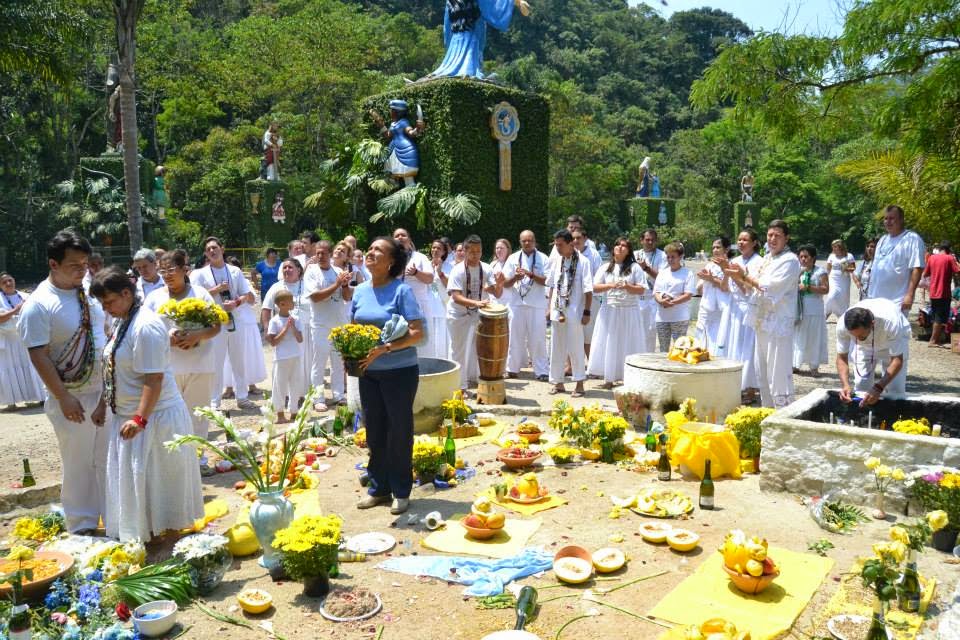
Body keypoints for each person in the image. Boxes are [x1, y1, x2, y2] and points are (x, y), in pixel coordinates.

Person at [88, 267, 203, 542]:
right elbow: (114, 366)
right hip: (130, 418)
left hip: (155, 418)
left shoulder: (146, 325)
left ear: (126, 293)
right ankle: (149, 542)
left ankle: (170, 546)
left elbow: (154, 378)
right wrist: (104, 404)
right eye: (102, 304)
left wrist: (139, 419)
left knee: (161, 485)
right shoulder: (122, 320)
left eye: (110, 302)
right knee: (141, 487)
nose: (107, 309)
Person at [18, 231, 108, 534]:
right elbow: (39, 356)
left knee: (106, 457)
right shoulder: (39, 304)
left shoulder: (88, 291)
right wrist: (63, 398)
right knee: (79, 462)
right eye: (74, 265)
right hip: (70, 396)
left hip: (103, 391)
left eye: (85, 263)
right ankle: (82, 525)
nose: (82, 270)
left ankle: (113, 517)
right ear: (53, 264)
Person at [352, 237, 424, 515]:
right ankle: (379, 488)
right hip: (368, 373)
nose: (370, 253)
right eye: (369, 249)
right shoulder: (359, 291)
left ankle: (402, 490)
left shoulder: (401, 291)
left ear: (391, 261)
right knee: (375, 431)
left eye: (377, 251)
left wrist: (386, 348)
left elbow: (417, 333)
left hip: (399, 372)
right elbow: (353, 328)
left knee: (399, 431)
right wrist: (350, 351)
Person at [720, 220, 801, 408]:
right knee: (762, 372)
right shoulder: (768, 259)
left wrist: (743, 276)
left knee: (777, 373)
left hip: (778, 324)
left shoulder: (790, 260)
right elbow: (751, 289)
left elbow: (769, 287)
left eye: (777, 235)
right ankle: (767, 412)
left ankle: (783, 414)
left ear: (786, 238)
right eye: (770, 235)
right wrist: (736, 276)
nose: (772, 239)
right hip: (762, 322)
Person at [144, 250, 222, 440]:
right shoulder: (154, 298)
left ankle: (198, 462)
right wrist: (166, 339)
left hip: (200, 365)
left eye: (171, 269)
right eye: (163, 271)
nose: (167, 275)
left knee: (198, 414)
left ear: (184, 269)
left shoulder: (200, 294)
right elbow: (145, 331)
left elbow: (216, 326)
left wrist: (197, 336)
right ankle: (176, 463)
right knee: (170, 416)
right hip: (168, 367)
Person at [190, 237, 264, 410]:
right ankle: (215, 401)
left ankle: (242, 397)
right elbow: (194, 296)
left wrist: (236, 303)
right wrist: (216, 290)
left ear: (222, 249)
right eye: (208, 249)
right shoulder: (200, 274)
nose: (212, 251)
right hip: (214, 323)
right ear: (205, 253)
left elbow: (246, 295)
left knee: (239, 360)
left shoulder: (235, 271)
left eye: (214, 247)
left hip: (235, 319)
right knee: (216, 362)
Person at [446, 235, 503, 394]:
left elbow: (496, 293)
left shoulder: (486, 268)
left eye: (478, 251)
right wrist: (476, 303)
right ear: (464, 251)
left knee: (479, 348)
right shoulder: (457, 270)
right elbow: (455, 296)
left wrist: (500, 283)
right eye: (472, 251)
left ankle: (476, 380)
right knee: (458, 350)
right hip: (458, 314)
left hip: (478, 313)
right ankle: (459, 387)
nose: (475, 254)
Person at [587, 237, 646, 388]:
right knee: (609, 343)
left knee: (628, 343)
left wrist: (627, 286)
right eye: (618, 244)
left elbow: (641, 289)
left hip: (629, 311)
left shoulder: (635, 268)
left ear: (628, 251)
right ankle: (609, 379)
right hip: (609, 310)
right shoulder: (605, 267)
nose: (620, 247)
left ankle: (628, 379)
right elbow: (594, 287)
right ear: (613, 248)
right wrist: (611, 285)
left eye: (624, 246)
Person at [304, 240, 353, 410]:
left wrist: (345, 285)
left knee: (338, 361)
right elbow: (315, 297)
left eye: (323, 253)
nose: (320, 256)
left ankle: (338, 394)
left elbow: (347, 297)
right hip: (320, 325)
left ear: (330, 253)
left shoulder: (338, 271)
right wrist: (338, 284)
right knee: (320, 362)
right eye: (317, 253)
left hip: (338, 324)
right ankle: (318, 398)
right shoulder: (311, 272)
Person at [836, 298, 912, 405]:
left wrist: (879, 387)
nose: (857, 338)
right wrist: (845, 385)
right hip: (864, 348)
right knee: (861, 389)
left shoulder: (890, 322)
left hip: (891, 342)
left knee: (895, 392)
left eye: (861, 335)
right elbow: (841, 358)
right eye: (854, 336)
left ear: (872, 324)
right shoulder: (842, 325)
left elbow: (897, 360)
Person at [430, 0, 530, 79]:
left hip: (455, 43)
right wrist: (517, 2)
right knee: (470, 68)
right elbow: (493, 5)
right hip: (471, 39)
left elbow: (447, 29)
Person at [546, 229, 592, 397]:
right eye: (556, 244)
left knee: (576, 347)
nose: (557, 248)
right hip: (557, 310)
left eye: (560, 245)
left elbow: (588, 290)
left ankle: (579, 384)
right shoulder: (556, 261)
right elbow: (551, 285)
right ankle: (558, 383)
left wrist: (587, 311)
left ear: (570, 244)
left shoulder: (583, 261)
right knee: (556, 348)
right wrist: (548, 307)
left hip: (575, 312)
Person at [719, 229, 763, 403]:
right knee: (733, 346)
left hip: (748, 308)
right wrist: (724, 271)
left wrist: (735, 275)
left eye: (745, 240)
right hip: (733, 308)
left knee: (747, 347)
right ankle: (736, 385)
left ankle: (751, 388)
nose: (741, 243)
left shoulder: (759, 262)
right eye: (739, 239)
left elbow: (748, 289)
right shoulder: (735, 260)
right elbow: (725, 288)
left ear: (754, 243)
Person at [503, 230, 549, 381]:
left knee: (538, 338)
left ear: (535, 241)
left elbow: (548, 281)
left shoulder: (543, 258)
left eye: (530, 240)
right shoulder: (512, 258)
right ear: (520, 242)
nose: (527, 243)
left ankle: (541, 370)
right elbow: (505, 283)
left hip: (537, 304)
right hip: (517, 303)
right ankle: (512, 368)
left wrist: (531, 275)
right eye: (524, 241)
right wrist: (515, 277)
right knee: (515, 337)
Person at [261, 258, 312, 394]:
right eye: (284, 268)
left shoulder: (308, 285)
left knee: (305, 363)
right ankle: (284, 395)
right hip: (282, 331)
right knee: (284, 363)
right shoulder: (276, 287)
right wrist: (267, 329)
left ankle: (303, 394)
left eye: (290, 267)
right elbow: (266, 309)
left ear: (299, 270)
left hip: (305, 330)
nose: (287, 270)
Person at [866, 205, 924, 313]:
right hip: (875, 299)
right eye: (886, 218)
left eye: (892, 218)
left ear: (901, 220)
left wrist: (910, 295)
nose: (888, 222)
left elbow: (917, 268)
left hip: (897, 301)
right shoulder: (883, 240)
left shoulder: (912, 239)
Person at [0, 273, 45, 408]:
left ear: (14, 280)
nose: (8, 283)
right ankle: (11, 401)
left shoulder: (26, 297)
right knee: (9, 369)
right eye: (4, 282)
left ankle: (40, 397)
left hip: (26, 338)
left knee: (31, 366)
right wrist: (16, 310)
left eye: (10, 280)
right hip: (8, 341)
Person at [267, 290, 305, 423]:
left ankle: (294, 412)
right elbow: (273, 342)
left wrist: (293, 327)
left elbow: (300, 339)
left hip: (295, 356)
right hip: (281, 358)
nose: (293, 303)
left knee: (295, 384)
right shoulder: (274, 321)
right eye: (291, 301)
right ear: (282, 304)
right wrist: (285, 329)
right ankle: (280, 413)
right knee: (279, 385)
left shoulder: (296, 319)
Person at [792, 244, 829, 375]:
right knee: (798, 336)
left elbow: (825, 289)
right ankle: (795, 364)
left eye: (806, 256)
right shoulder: (797, 271)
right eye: (801, 256)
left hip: (815, 307)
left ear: (813, 258)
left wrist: (808, 287)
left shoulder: (821, 272)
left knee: (814, 336)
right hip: (800, 307)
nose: (803, 259)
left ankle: (814, 366)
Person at [653, 243, 696, 352]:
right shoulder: (662, 273)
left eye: (673, 257)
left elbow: (688, 295)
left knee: (680, 348)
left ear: (680, 257)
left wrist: (672, 302)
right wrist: (661, 301)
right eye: (668, 257)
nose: (670, 259)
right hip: (662, 317)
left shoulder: (687, 273)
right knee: (663, 349)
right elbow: (656, 292)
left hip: (679, 317)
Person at [695, 237, 731, 357]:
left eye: (718, 247)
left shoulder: (730, 265)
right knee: (701, 337)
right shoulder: (709, 265)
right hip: (706, 307)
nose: (715, 250)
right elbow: (699, 289)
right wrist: (703, 281)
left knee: (719, 339)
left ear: (726, 249)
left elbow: (727, 287)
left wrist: (711, 279)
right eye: (713, 247)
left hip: (721, 310)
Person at [634, 228, 668, 352]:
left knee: (650, 332)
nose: (650, 242)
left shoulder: (662, 255)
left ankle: (647, 357)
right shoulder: (634, 254)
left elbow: (662, 278)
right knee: (635, 330)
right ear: (641, 240)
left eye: (653, 240)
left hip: (652, 298)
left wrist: (646, 268)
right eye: (647, 240)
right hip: (636, 297)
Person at [922, 241, 960, 347]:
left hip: (933, 291)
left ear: (940, 248)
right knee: (940, 317)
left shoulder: (932, 258)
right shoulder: (949, 258)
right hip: (943, 292)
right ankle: (933, 341)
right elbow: (957, 270)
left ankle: (937, 339)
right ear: (949, 249)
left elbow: (925, 274)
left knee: (936, 316)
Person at [571, 229, 602, 358]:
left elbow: (598, 276)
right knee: (573, 332)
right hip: (573, 299)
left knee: (589, 333)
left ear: (585, 239)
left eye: (579, 238)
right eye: (573, 238)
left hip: (591, 298)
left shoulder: (594, 255)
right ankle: (571, 366)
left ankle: (591, 363)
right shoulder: (568, 254)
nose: (576, 241)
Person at [824, 239, 855, 320]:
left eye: (835, 247)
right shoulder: (831, 256)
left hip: (844, 280)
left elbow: (853, 268)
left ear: (841, 247)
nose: (833, 249)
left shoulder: (849, 256)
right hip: (833, 279)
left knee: (843, 298)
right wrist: (825, 280)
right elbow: (828, 269)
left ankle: (843, 316)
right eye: (833, 247)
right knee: (831, 296)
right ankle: (827, 312)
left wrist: (846, 268)